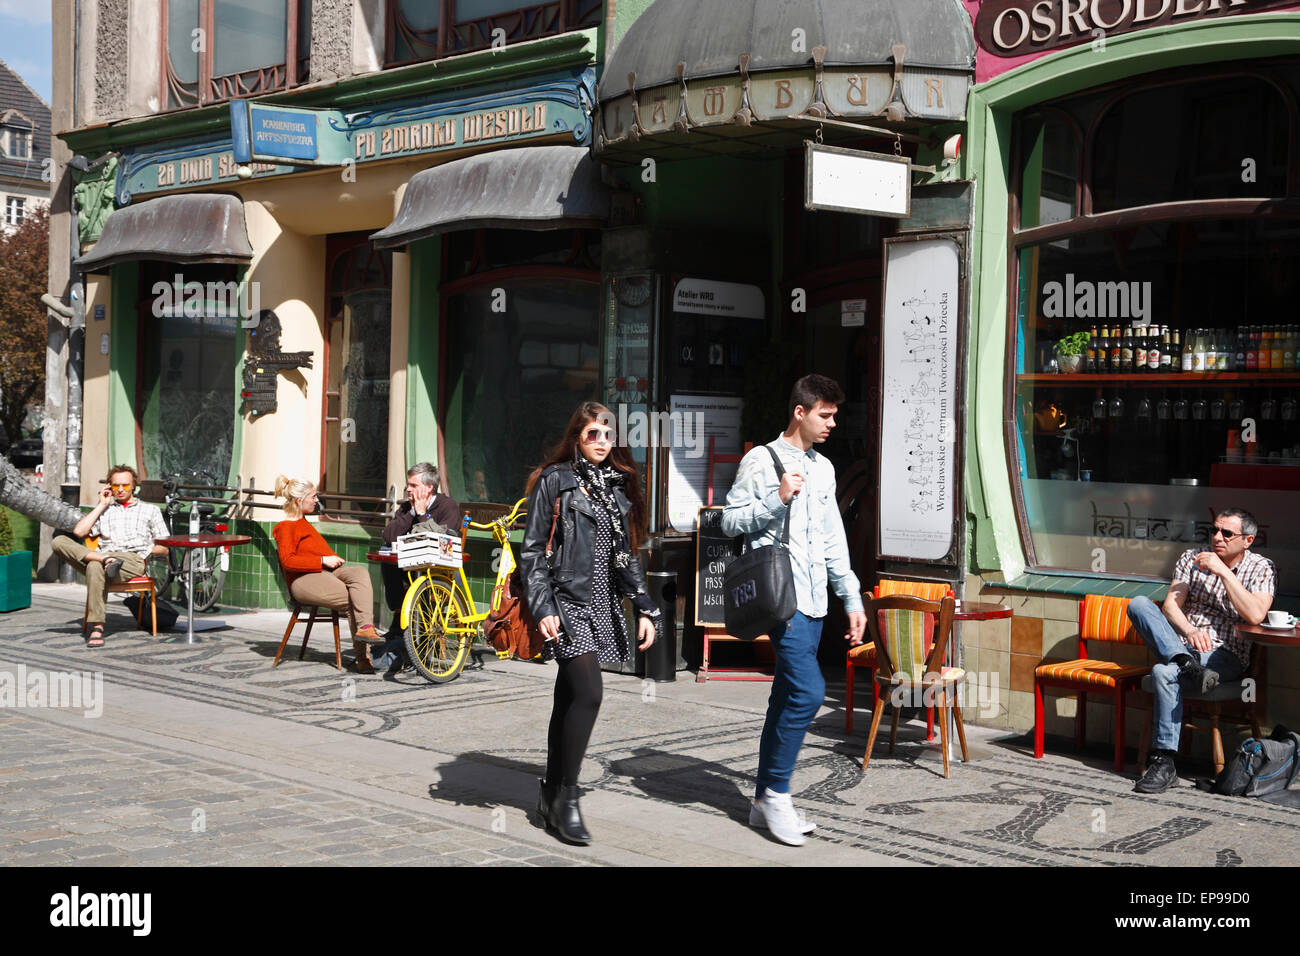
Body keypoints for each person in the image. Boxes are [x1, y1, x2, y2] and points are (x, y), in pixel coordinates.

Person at [722, 374, 867, 846]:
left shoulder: (823, 468)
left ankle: (764, 800)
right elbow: (727, 521)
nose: (832, 423)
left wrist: (851, 596)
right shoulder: (760, 460)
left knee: (786, 697)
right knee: (808, 693)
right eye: (825, 414)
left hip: (815, 598)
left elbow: (832, 538)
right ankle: (780, 794)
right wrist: (776, 498)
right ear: (800, 412)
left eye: (835, 415)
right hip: (779, 597)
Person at [520, 401, 659, 845]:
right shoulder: (555, 481)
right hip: (566, 600)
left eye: (607, 434)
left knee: (569, 698)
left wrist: (646, 607)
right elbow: (532, 550)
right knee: (590, 693)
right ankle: (567, 797)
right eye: (592, 434)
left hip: (601, 603)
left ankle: (550, 792)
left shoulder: (615, 486)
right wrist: (542, 608)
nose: (601, 442)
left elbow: (624, 555)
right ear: (577, 437)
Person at [1128, 508, 1276, 794]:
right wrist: (1190, 632)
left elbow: (1255, 615)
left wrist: (1223, 572)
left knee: (1162, 671)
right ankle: (1185, 662)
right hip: (1184, 643)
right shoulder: (1191, 558)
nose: (1217, 537)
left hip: (1226, 654)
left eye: (1227, 533)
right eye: (1215, 530)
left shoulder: (1261, 568)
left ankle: (1164, 762)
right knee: (1139, 604)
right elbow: (1171, 606)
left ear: (1247, 540)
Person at [272, 475, 385, 672]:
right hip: (303, 580)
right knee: (352, 599)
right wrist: (322, 560)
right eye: (313, 497)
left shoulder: (305, 523)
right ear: (300, 501)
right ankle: (362, 658)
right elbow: (288, 562)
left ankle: (366, 628)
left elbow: (316, 550)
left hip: (326, 572)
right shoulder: (285, 527)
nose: (317, 501)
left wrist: (330, 560)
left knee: (359, 572)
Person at [52, 464, 169, 647]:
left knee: (93, 565)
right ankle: (104, 560)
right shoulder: (106, 511)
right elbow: (79, 531)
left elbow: (165, 548)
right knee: (59, 541)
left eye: (125, 485)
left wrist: (143, 546)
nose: (120, 490)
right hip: (104, 558)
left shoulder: (150, 511)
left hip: (132, 559)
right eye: (115, 486)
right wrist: (101, 505)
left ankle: (97, 628)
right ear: (109, 487)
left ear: (134, 486)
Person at [375, 463, 461, 674]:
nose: (408, 489)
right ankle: (399, 619)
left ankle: (414, 639)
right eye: (408, 485)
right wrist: (413, 512)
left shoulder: (447, 506)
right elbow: (388, 535)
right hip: (411, 570)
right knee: (385, 551)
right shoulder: (407, 507)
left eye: (413, 485)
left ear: (429, 487)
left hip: (439, 571)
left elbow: (442, 541)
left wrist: (423, 514)